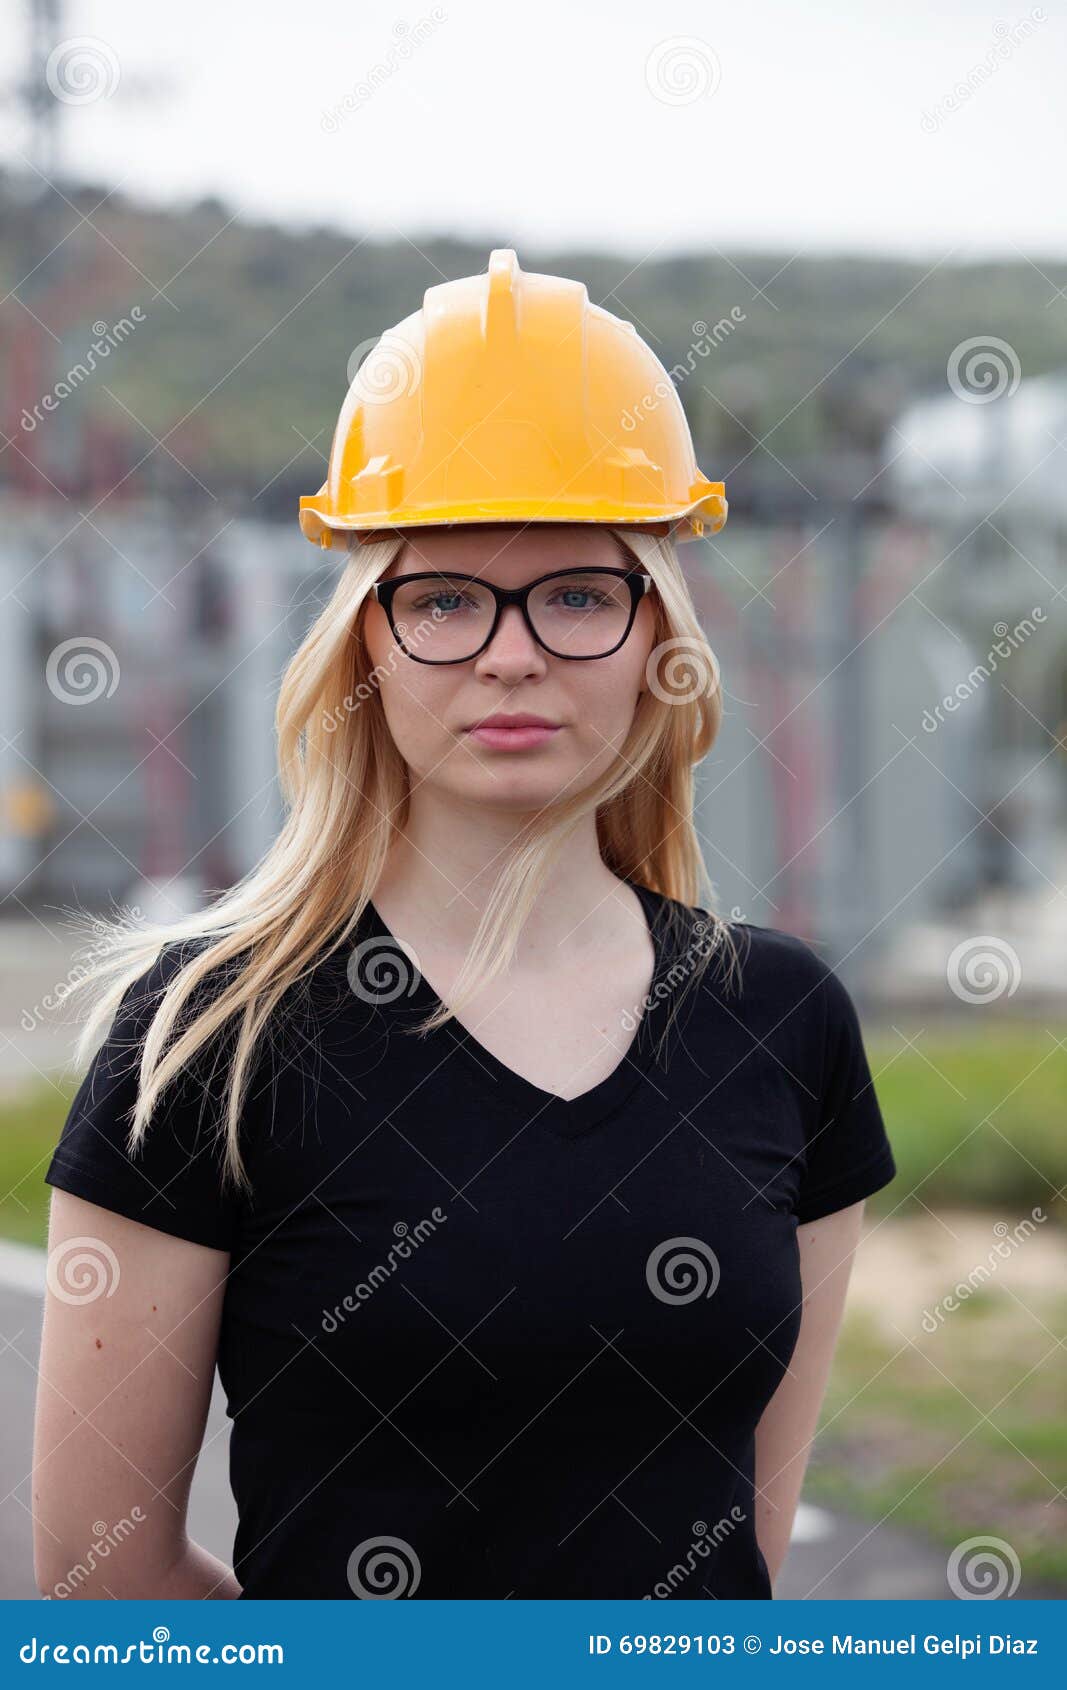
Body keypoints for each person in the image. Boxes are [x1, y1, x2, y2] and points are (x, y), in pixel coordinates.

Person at [34, 250, 895, 1601]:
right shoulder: (206, 1036)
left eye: (575, 593)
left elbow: (743, 1549)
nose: (510, 653)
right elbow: (104, 1580)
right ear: (362, 643)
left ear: (657, 633)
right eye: (442, 597)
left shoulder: (782, 1022)